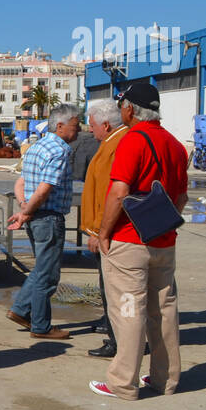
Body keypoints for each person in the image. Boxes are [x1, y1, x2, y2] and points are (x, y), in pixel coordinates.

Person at [91, 83, 189, 400]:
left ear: (130, 109)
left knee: (129, 310)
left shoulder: (133, 141)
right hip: (164, 241)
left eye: (122, 106)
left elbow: (119, 191)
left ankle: (123, 383)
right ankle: (166, 379)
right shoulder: (175, 145)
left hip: (130, 241)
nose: (121, 111)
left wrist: (104, 233)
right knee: (164, 311)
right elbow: (183, 196)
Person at [5, 104, 81, 340]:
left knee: (41, 269)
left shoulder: (36, 147)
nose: (79, 131)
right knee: (48, 275)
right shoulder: (59, 150)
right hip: (47, 217)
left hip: (37, 217)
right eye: (75, 126)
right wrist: (27, 211)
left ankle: (21, 310)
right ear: (60, 126)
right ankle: (40, 325)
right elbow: (44, 189)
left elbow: (21, 184)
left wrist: (23, 208)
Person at [80, 98, 129, 358]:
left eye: (93, 125)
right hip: (105, 230)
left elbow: (112, 194)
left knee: (111, 287)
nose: (90, 130)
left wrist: (99, 231)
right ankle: (113, 332)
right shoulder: (110, 143)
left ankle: (116, 340)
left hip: (109, 233)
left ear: (106, 125)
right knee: (108, 286)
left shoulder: (117, 145)